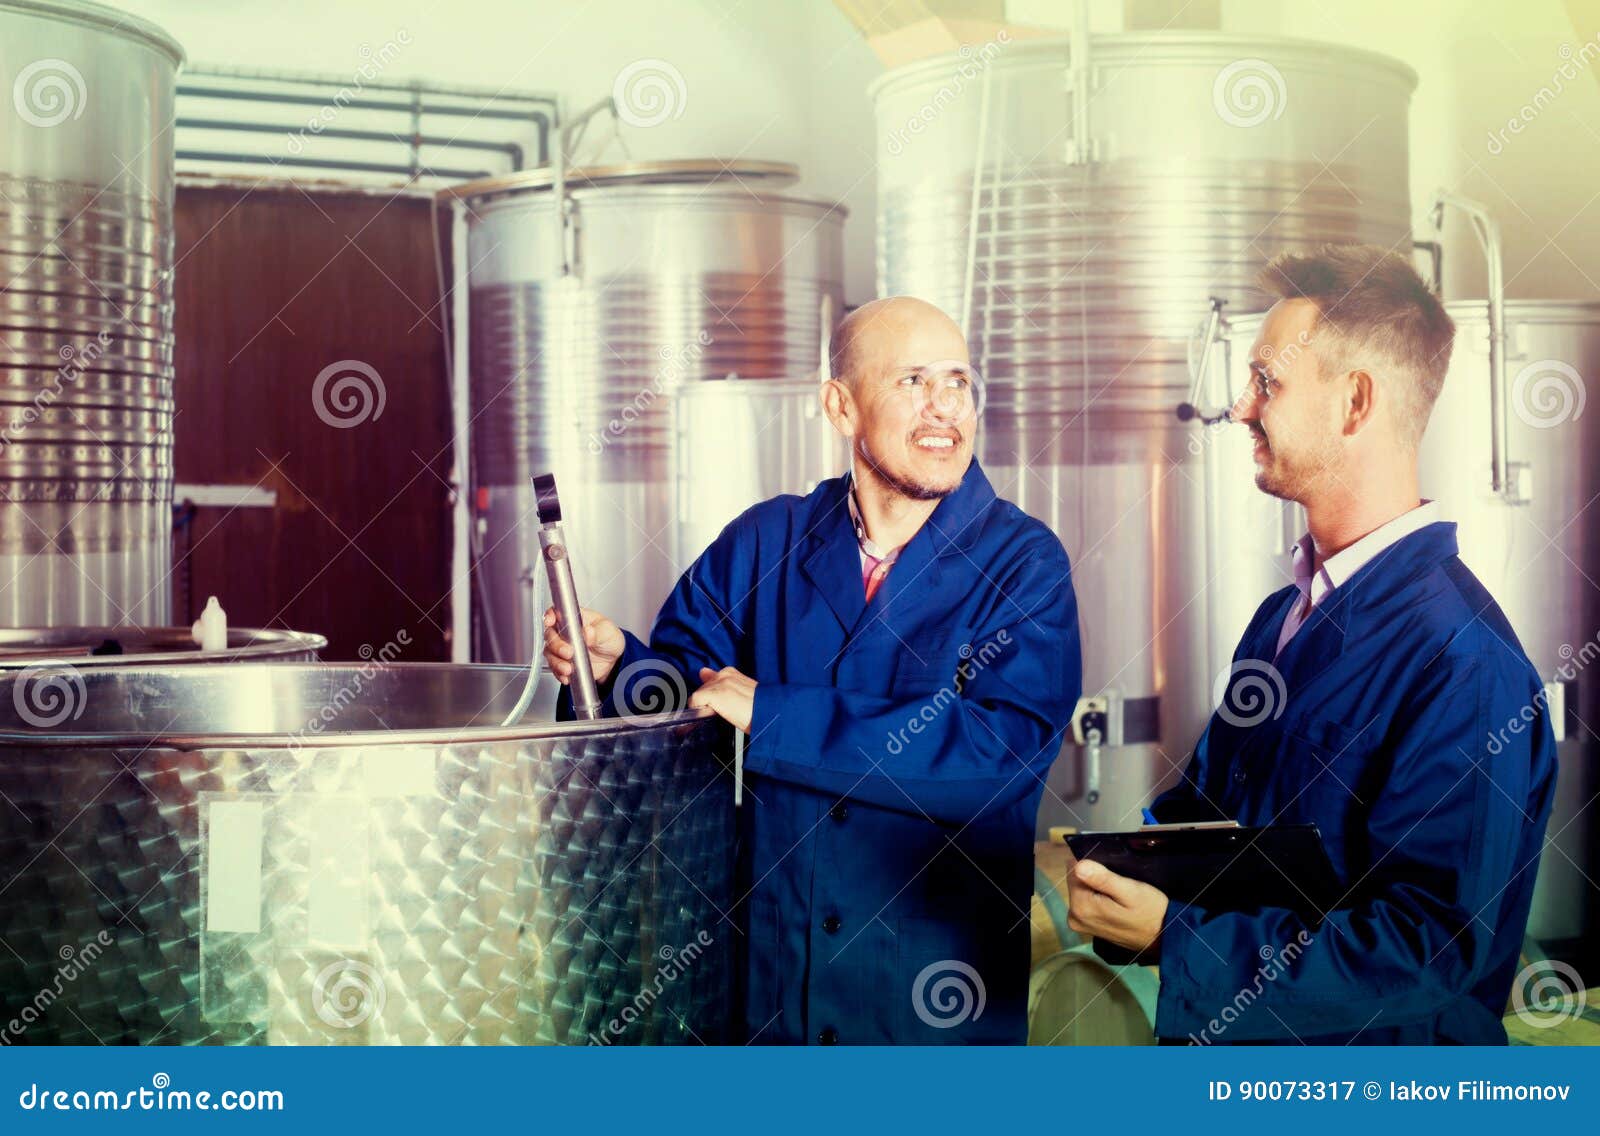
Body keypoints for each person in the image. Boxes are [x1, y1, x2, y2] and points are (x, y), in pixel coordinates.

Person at [546, 296, 1081, 1044]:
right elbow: (684, 704)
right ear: (840, 406)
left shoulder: (1023, 563)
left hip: (930, 1012)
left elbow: (998, 757)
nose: (944, 410)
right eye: (913, 381)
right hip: (774, 993)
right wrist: (614, 670)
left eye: (958, 382)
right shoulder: (768, 541)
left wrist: (775, 716)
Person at [1066, 245, 1557, 1044]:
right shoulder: (1279, 619)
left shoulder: (1462, 663)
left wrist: (1177, 938)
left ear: (1355, 403)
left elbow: (1425, 946)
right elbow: (1212, 824)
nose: (1240, 408)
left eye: (1267, 382)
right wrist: (1124, 869)